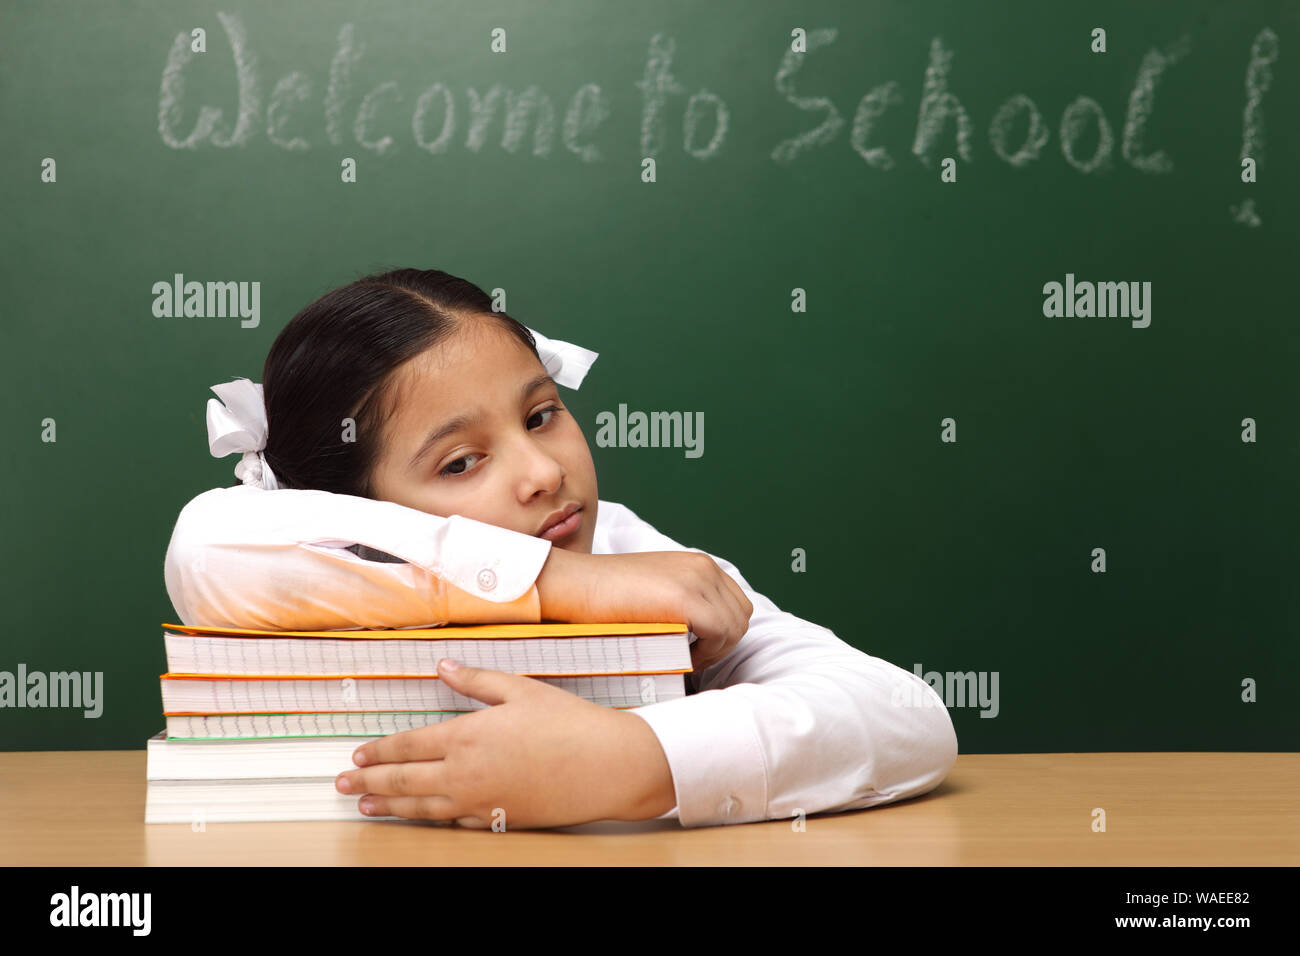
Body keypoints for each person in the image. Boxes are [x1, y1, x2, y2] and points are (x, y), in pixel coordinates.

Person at [164, 267, 958, 829]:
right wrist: (544, 584)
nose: (544, 472)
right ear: (344, 505)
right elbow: (201, 552)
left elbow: (905, 718)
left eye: (541, 415)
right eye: (461, 462)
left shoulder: (621, 548)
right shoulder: (323, 555)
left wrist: (634, 760)